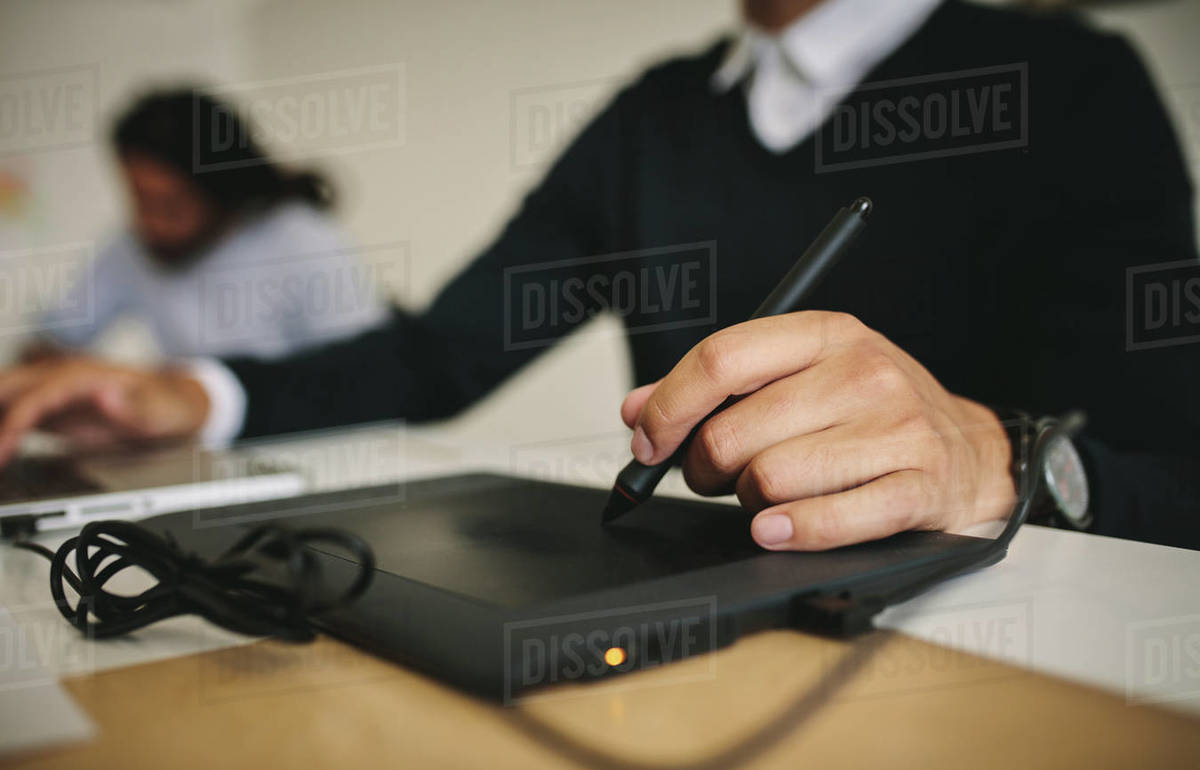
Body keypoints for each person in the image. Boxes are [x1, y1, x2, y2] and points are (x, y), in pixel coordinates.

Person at [0, 0, 1196, 551]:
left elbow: (1173, 470)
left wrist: (993, 453)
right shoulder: (653, 117)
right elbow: (441, 352)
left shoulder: (1073, 84)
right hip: (709, 632)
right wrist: (200, 392)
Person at [24, 88, 389, 363]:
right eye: (139, 200)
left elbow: (364, 373)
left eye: (171, 204)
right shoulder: (131, 248)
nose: (152, 223)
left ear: (221, 190)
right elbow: (51, 340)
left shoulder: (302, 240)